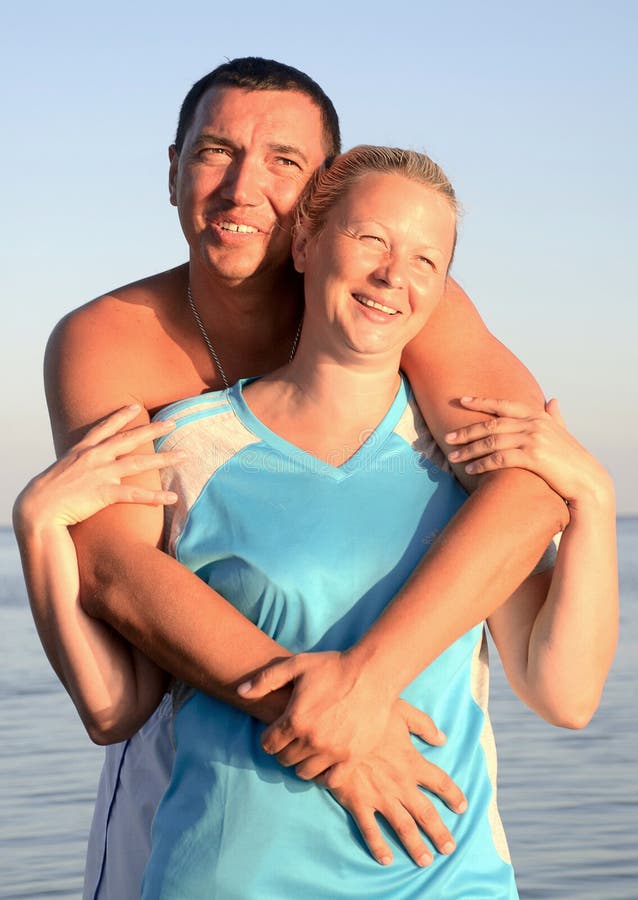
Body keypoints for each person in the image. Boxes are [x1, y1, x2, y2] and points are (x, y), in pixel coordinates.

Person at [22, 57, 572, 898]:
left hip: (400, 786)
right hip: (188, 774)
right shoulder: (109, 338)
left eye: (284, 162)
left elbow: (529, 488)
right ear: (171, 170)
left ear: (323, 198)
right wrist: (334, 730)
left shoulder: (397, 301)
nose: (244, 188)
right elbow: (115, 569)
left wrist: (366, 684)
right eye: (215, 151)